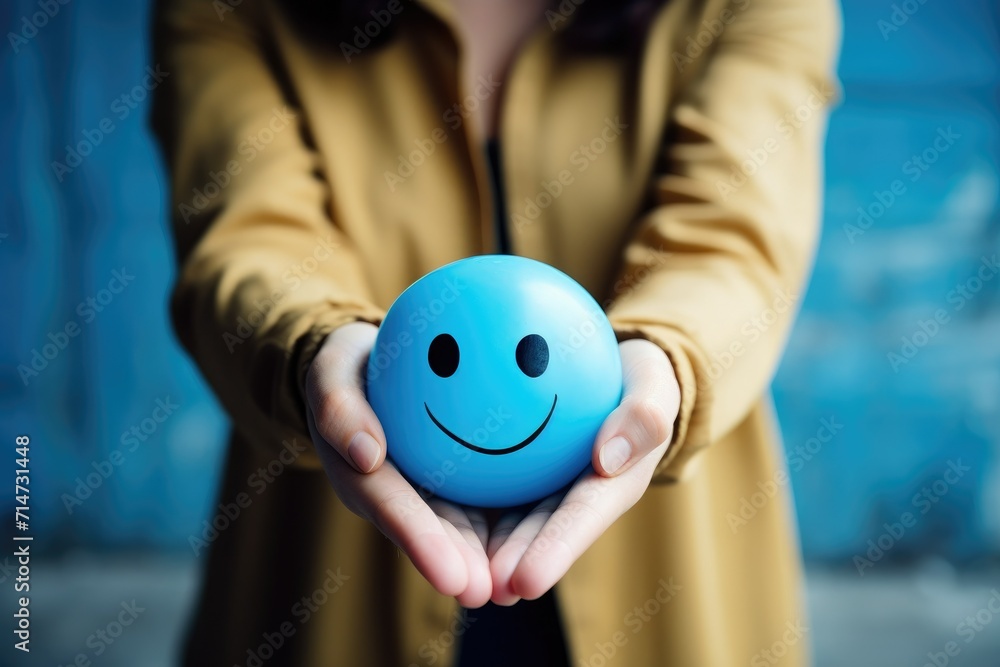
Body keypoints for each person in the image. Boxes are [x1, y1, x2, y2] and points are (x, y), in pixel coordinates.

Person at [152, 0, 840, 664]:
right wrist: (314, 347)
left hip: (670, 579)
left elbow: (734, 242)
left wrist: (669, 361)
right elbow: (248, 235)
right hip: (332, 580)